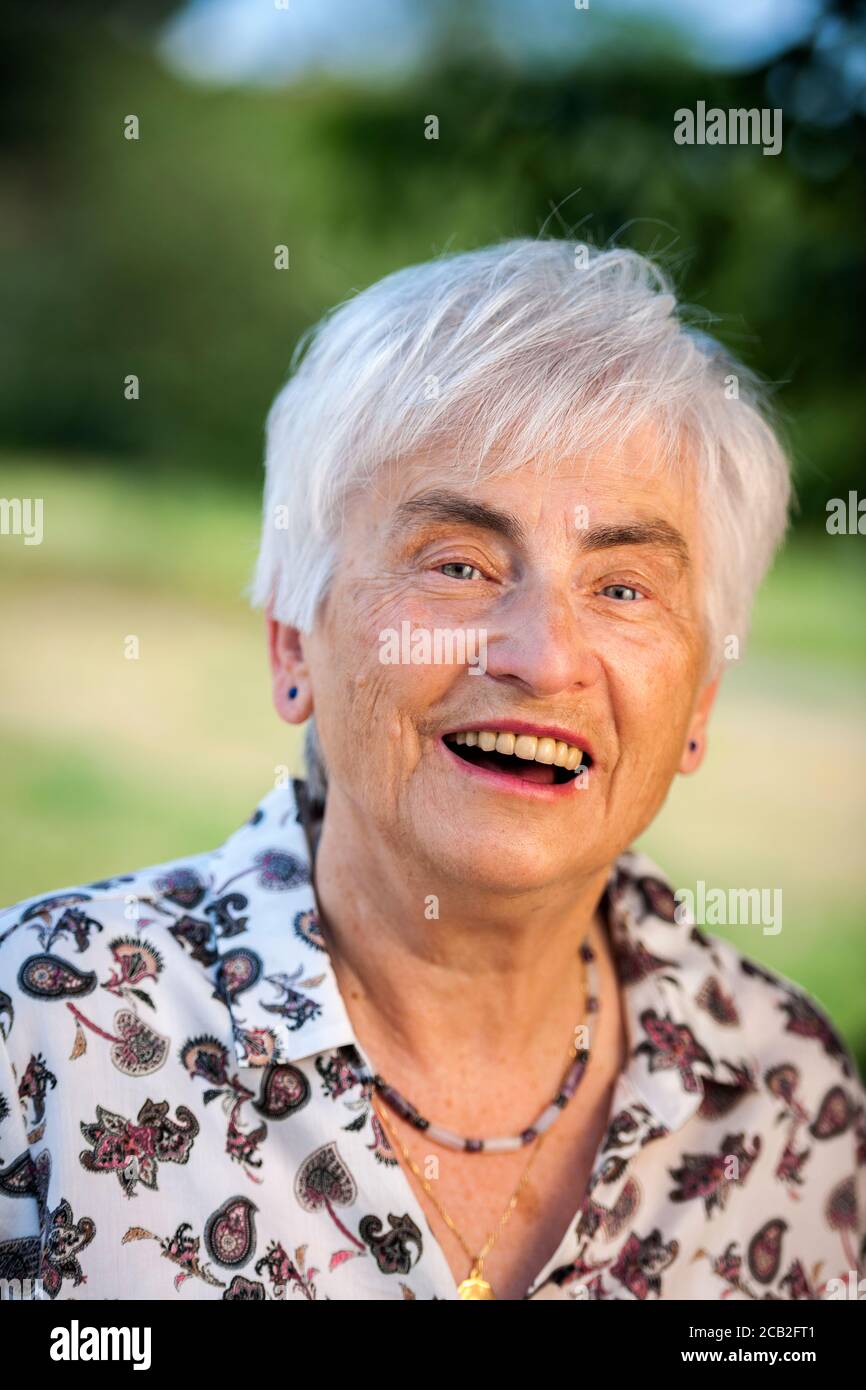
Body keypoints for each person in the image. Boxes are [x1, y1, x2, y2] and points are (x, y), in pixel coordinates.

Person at [1, 239, 863, 1302]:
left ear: (697, 706)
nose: (540, 658)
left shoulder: (786, 1095)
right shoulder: (43, 1036)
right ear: (290, 643)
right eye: (459, 565)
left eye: (623, 588)